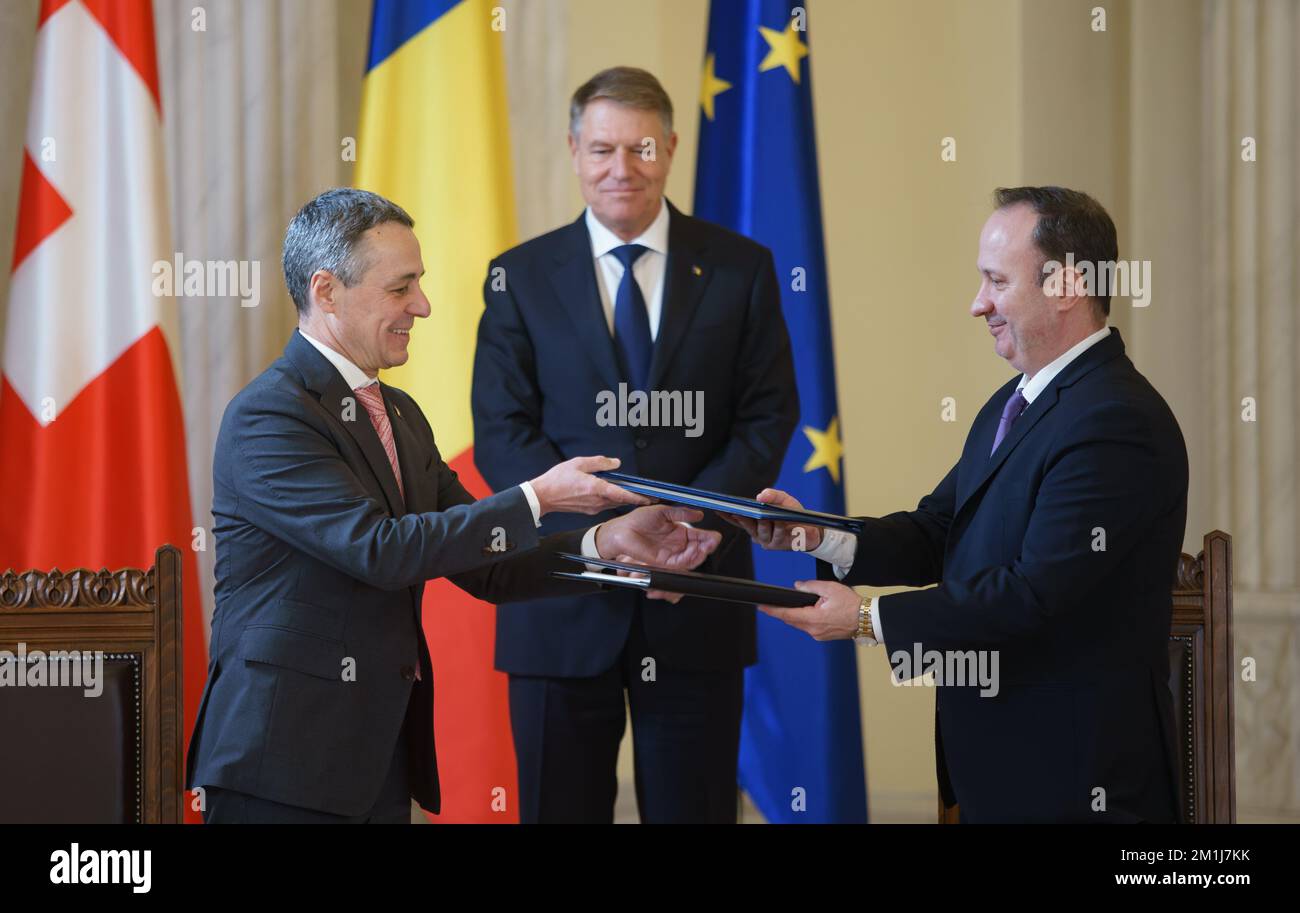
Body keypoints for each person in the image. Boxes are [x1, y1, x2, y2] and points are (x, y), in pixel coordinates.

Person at [185, 188, 719, 823]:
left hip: (376, 758)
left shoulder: (400, 414)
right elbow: (379, 551)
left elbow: (490, 566)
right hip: (282, 761)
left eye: (421, 284)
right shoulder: (269, 415)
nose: (424, 306)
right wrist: (540, 495)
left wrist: (606, 542)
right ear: (326, 291)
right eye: (400, 288)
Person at [732, 187, 1187, 823]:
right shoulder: (1016, 401)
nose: (979, 305)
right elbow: (937, 530)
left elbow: (1035, 593)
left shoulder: (1116, 419)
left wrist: (865, 620)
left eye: (997, 281)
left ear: (1068, 284)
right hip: (999, 769)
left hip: (1078, 779)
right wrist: (814, 535)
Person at [471, 67, 798, 823]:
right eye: (603, 149)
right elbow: (502, 432)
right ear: (574, 150)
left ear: (672, 147)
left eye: (642, 148)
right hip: (559, 597)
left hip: (698, 593)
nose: (622, 169)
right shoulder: (515, 277)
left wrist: (691, 531)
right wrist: (599, 536)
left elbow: (767, 416)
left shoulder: (740, 267)